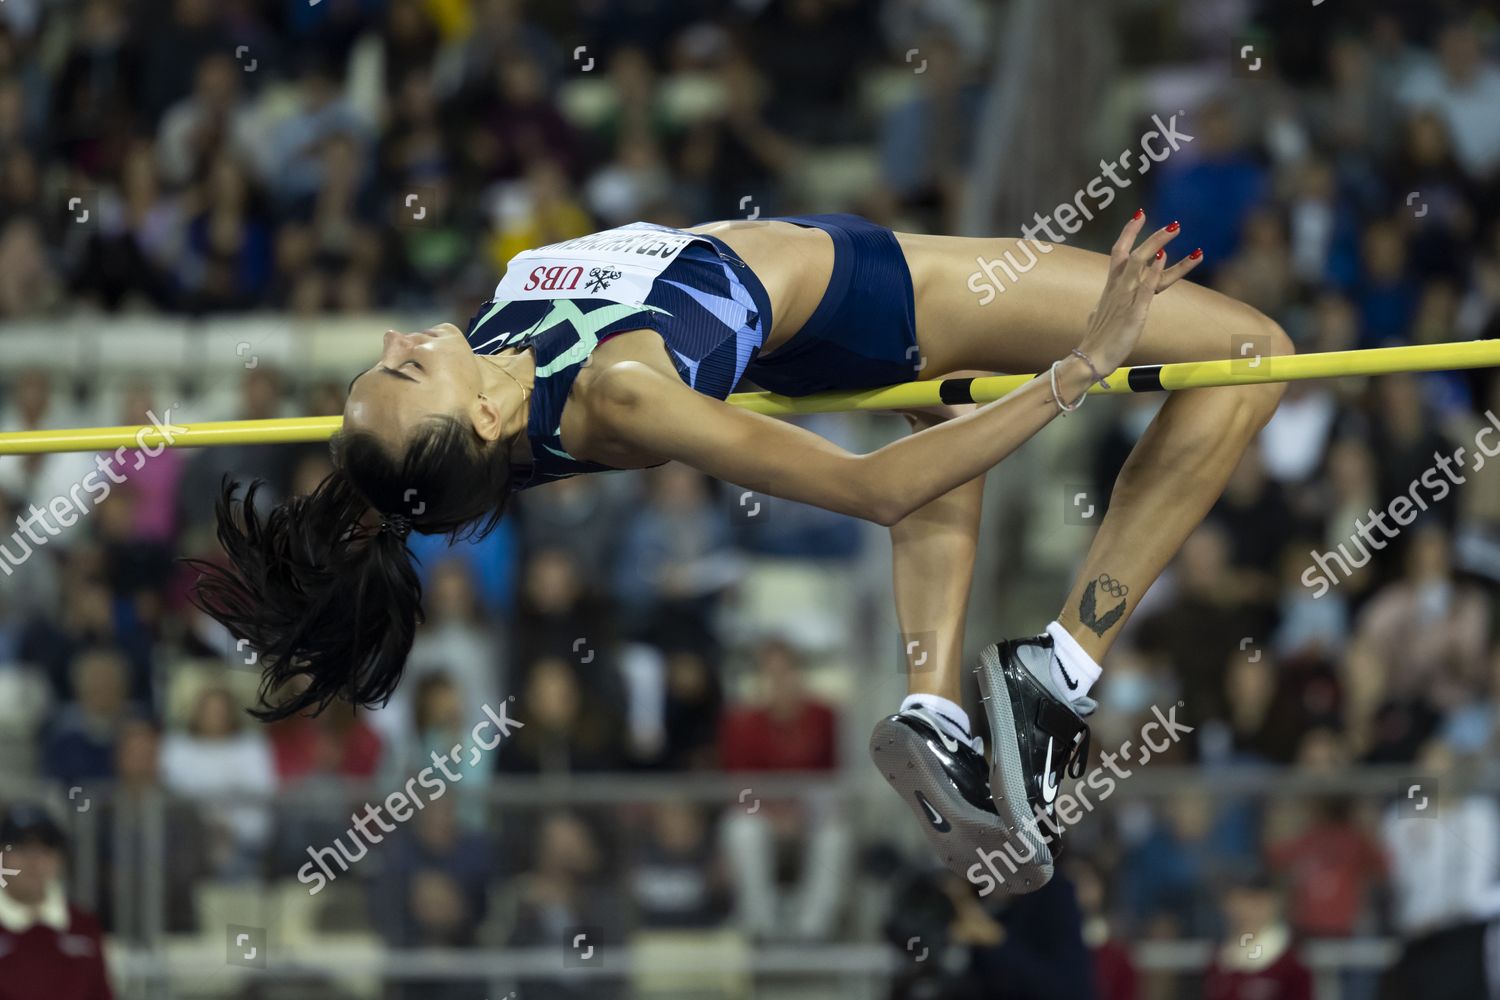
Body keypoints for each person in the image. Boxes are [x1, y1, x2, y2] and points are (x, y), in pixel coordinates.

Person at [193, 212, 1292, 892]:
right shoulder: (618, 393)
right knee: (1252, 350)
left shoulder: (479, 387)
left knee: (946, 423)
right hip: (874, 297)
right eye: (401, 370)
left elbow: (388, 489)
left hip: (797, 314)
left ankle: (934, 712)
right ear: (478, 420)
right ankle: (1059, 672)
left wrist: (343, 512)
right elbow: (877, 489)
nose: (396, 341)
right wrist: (1081, 368)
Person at [0, 804, 114, 1000]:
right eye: (20, 848)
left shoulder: (83, 925)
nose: (33, 861)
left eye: (46, 849)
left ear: (59, 860)